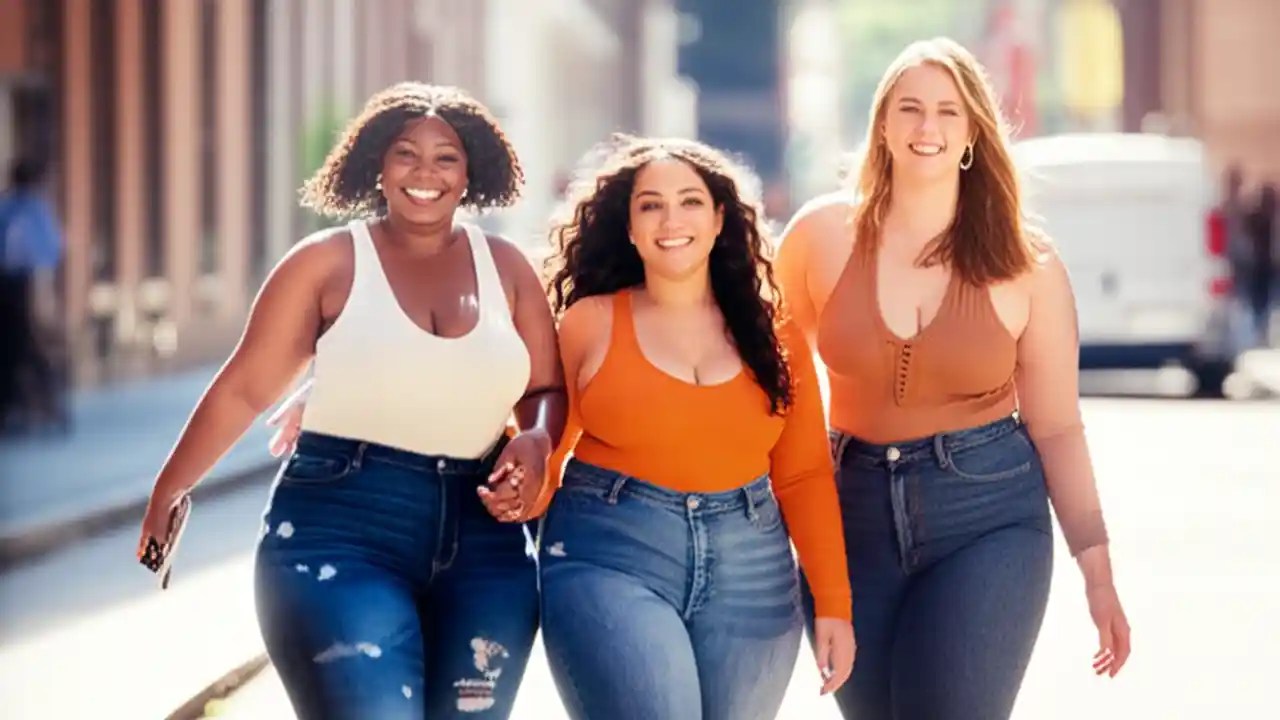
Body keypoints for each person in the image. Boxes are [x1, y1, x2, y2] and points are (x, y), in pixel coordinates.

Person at [136, 82, 565, 720]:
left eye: (445, 158)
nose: (425, 173)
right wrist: (168, 490)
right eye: (405, 154)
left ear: (471, 171)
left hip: (485, 543)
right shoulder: (325, 264)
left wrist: (536, 439)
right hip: (338, 529)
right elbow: (245, 388)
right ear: (376, 165)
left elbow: (544, 389)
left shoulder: (507, 268)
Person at [775, 38, 1131, 719]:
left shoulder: (1027, 263)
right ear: (882, 124)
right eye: (909, 108)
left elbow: (1057, 427)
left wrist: (1097, 570)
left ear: (972, 133)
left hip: (986, 516)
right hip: (850, 518)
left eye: (948, 111)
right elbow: (770, 387)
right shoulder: (817, 238)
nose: (927, 127)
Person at [536, 134, 855, 720]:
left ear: (719, 220)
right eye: (650, 205)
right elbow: (547, 457)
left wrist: (833, 603)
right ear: (629, 228)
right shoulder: (589, 323)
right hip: (612, 551)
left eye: (689, 201)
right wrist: (516, 483)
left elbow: (804, 475)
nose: (670, 220)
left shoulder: (774, 336)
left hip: (752, 569)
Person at [0, 157, 64, 431]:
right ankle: (46, 401)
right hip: (29, 286)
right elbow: (50, 252)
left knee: (9, 350)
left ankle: (11, 405)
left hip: (5, 287)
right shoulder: (37, 211)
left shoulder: (5, 209)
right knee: (39, 346)